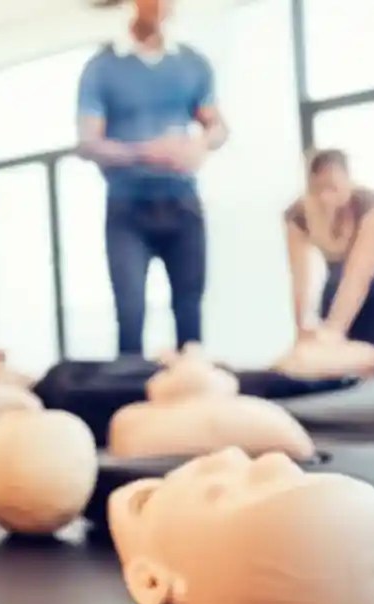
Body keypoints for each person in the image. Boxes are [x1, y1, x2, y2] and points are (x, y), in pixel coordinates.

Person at [77, 0, 228, 358]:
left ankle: (193, 388)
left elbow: (218, 128)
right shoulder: (102, 67)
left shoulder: (192, 63)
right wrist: (146, 152)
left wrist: (199, 145)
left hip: (183, 204)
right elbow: (88, 143)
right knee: (129, 314)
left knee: (189, 313)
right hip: (127, 208)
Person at [283, 150, 374, 372]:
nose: (325, 198)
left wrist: (333, 332)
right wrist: (302, 331)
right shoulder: (298, 215)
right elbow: (300, 280)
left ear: (348, 182)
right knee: (327, 360)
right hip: (339, 289)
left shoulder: (372, 207)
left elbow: (358, 278)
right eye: (318, 189)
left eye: (332, 188)